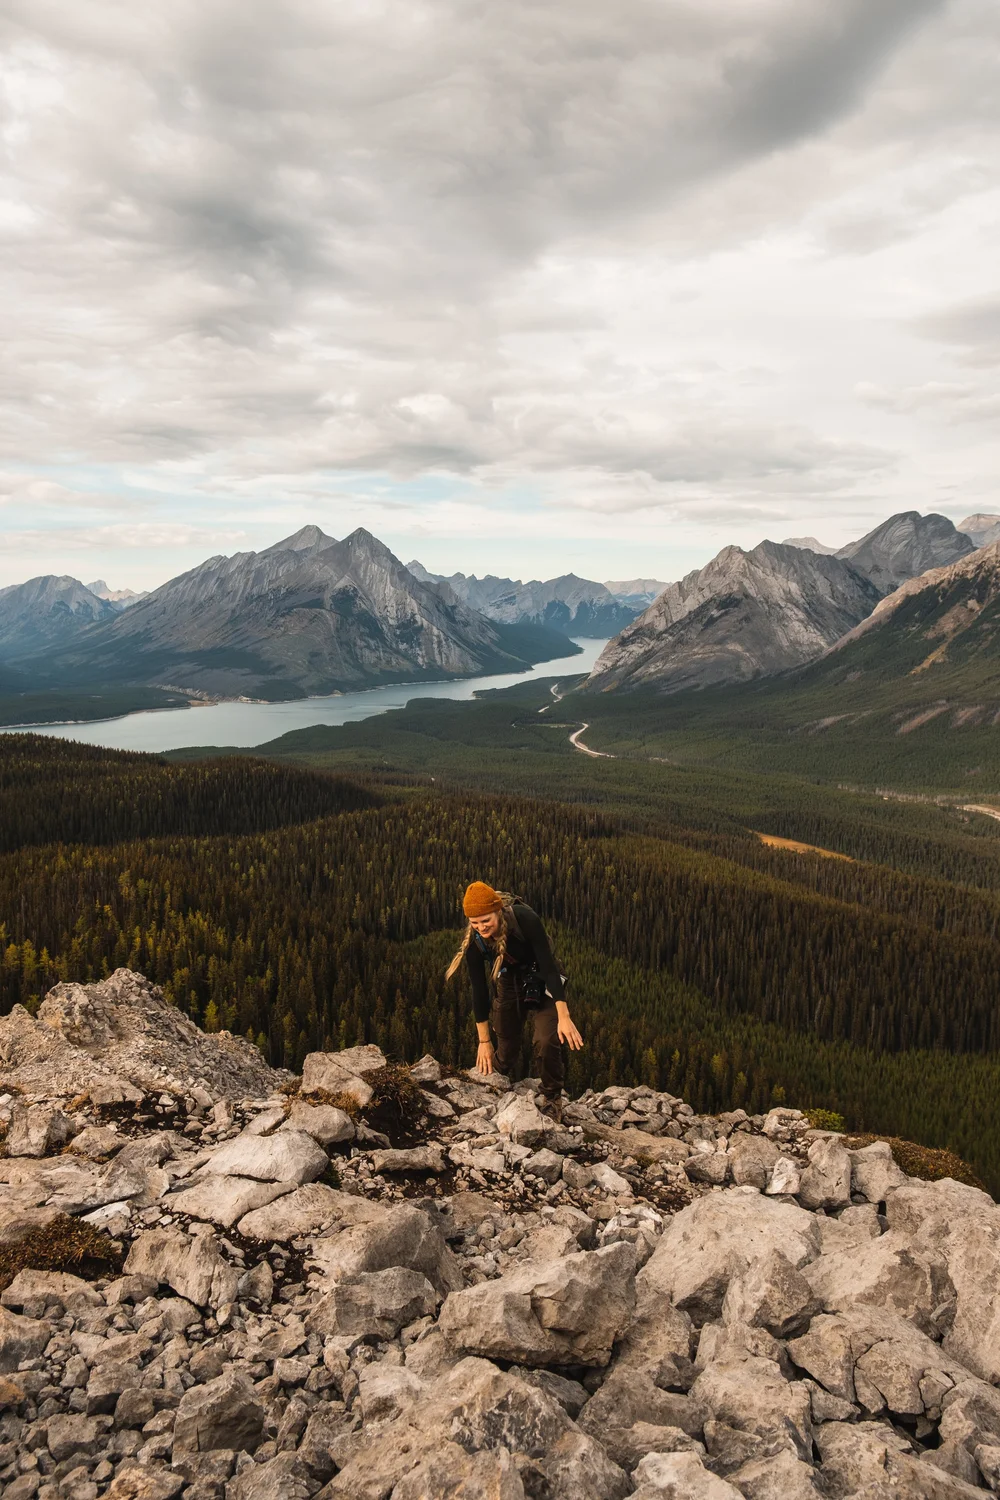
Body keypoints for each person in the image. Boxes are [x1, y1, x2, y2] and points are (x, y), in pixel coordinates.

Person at [445, 880, 583, 1119]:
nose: (481, 927)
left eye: (486, 920)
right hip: (509, 979)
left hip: (543, 975)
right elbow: (479, 992)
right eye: (475, 923)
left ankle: (552, 1098)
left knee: (546, 1039)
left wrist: (564, 1016)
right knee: (505, 1041)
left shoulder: (524, 918)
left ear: (497, 911)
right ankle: (493, 1081)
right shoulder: (475, 945)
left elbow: (549, 967)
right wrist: (484, 1041)